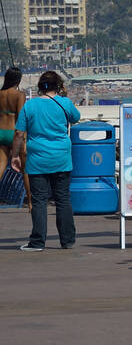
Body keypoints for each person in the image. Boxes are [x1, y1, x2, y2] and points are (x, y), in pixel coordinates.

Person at [12, 70, 81, 252]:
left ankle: (37, 242)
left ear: (40, 86)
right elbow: (76, 117)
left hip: (37, 159)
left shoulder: (30, 105)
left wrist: (15, 156)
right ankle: (67, 240)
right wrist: (63, 95)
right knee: (63, 199)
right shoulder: (64, 102)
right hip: (61, 158)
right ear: (58, 86)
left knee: (39, 201)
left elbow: (19, 133)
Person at [0, 66, 28, 204]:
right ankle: (30, 203)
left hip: (1, 132)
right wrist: (24, 137)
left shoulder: (0, 93)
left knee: (0, 166)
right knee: (25, 169)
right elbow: (21, 118)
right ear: (18, 80)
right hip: (14, 133)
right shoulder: (20, 95)